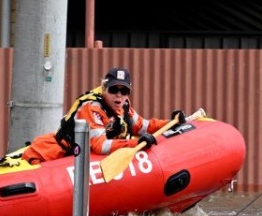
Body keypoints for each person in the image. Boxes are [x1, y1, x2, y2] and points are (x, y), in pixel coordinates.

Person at [21, 67, 185, 164]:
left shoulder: (124, 108)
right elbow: (100, 145)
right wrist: (135, 143)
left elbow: (143, 126)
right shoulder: (92, 108)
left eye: (124, 91)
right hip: (53, 155)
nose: (119, 95)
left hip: (77, 158)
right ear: (104, 89)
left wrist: (173, 122)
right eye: (114, 90)